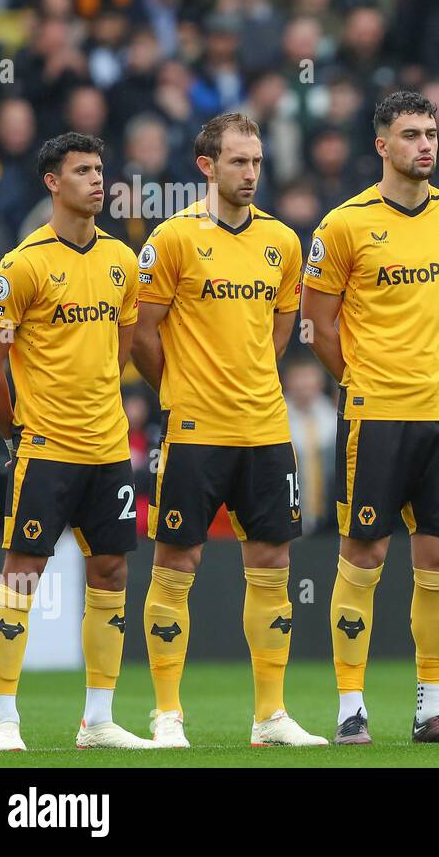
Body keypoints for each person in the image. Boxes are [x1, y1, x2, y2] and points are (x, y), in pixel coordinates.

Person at [300, 91, 439, 744]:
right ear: (382, 145)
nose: (426, 145)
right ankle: (351, 705)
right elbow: (320, 325)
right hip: (374, 412)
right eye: (411, 134)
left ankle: (431, 709)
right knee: (364, 551)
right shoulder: (343, 225)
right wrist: (360, 378)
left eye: (431, 132)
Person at [131, 112, 324, 748]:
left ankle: (270, 716)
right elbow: (142, 333)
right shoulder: (173, 238)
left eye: (258, 161)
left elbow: (278, 331)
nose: (251, 173)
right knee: (176, 562)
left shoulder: (283, 242)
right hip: (193, 429)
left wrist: (248, 379)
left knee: (271, 560)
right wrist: (179, 390)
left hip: (266, 428)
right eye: (239, 162)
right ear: (207, 166)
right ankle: (166, 714)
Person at [0, 132, 154, 751]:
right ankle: (4, 722)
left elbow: (122, 348)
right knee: (23, 575)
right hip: (46, 449)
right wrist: (16, 430)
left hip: (107, 451)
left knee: (110, 571)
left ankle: (98, 720)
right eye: (83, 171)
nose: (98, 181)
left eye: (100, 170)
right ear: (53, 182)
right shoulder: (23, 263)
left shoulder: (123, 261)